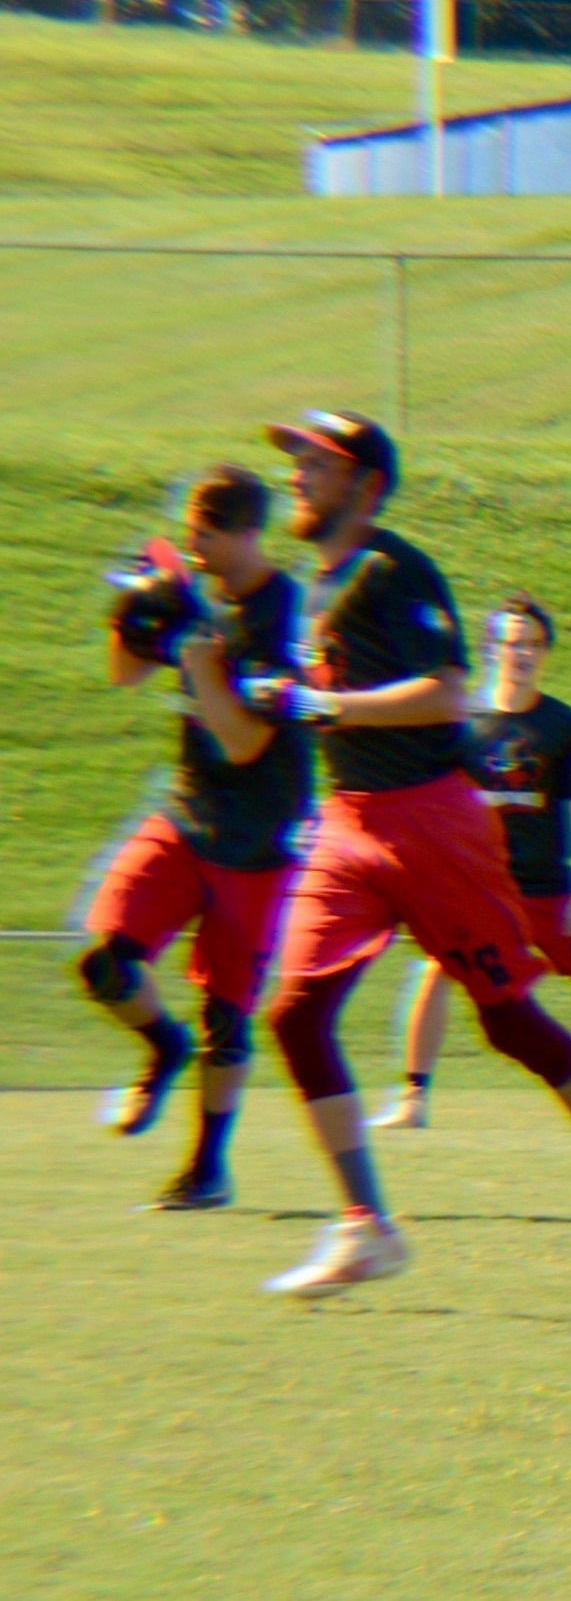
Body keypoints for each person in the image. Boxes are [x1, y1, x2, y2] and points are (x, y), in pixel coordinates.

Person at [246, 411, 571, 1298]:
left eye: (312, 462)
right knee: (291, 1015)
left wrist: (323, 708)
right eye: (292, 460)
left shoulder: (394, 570)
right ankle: (367, 1225)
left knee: (507, 1018)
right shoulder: (315, 582)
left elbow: (445, 692)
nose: (294, 475)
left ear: (363, 483)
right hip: (347, 822)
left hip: (431, 820)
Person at [83, 465, 313, 1210]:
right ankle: (160, 1044)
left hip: (257, 839)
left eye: (206, 537)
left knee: (227, 1019)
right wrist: (137, 609)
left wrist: (195, 653)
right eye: (190, 534)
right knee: (105, 964)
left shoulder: (280, 613)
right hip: (187, 816)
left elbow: (246, 742)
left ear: (248, 533)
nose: (195, 548)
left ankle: (206, 1169)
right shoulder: (202, 595)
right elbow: (122, 676)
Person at [375, 592, 571, 1133]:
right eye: (511, 643)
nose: (521, 654)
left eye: (532, 644)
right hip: (476, 889)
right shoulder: (457, 723)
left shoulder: (563, 726)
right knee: (434, 972)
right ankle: (413, 1096)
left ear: (545, 652)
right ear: (490, 649)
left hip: (546, 887)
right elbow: (428, 803)